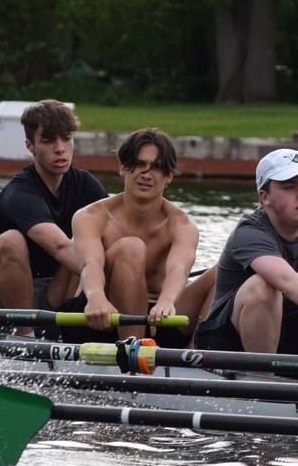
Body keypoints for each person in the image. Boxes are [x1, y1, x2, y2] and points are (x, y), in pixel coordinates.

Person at [193, 147, 298, 355]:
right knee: (264, 287)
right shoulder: (249, 232)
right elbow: (286, 281)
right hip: (225, 345)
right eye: (290, 187)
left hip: (292, 334)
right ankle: (263, 374)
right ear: (264, 197)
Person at [0, 99, 107, 310]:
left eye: (66, 138)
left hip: (52, 291)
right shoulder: (19, 193)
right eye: (48, 141)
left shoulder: (85, 184)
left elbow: (116, 232)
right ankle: (24, 330)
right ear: (30, 146)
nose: (60, 148)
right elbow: (60, 247)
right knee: (12, 240)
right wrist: (98, 287)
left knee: (98, 243)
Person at [71, 128, 209, 337]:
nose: (146, 174)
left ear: (169, 176)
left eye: (157, 167)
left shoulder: (182, 225)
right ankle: (133, 346)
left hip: (158, 315)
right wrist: (95, 295)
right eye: (139, 164)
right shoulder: (89, 217)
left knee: (225, 268)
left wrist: (166, 301)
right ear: (122, 167)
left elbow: (179, 270)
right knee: (131, 247)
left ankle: (199, 350)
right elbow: (91, 263)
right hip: (100, 314)